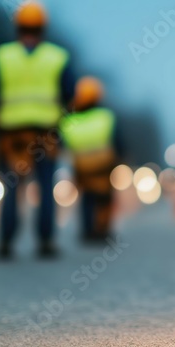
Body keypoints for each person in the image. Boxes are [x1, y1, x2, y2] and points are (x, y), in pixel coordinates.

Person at [0, 1, 76, 258]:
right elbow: (70, 95)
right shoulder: (57, 57)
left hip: (11, 134)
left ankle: (5, 242)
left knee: (12, 188)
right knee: (46, 187)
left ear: (17, 26)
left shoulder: (2, 55)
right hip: (45, 134)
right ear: (43, 27)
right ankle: (46, 242)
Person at [59, 77, 123, 242]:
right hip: (103, 164)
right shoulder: (105, 116)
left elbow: (63, 144)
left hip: (81, 165)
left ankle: (87, 231)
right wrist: (121, 156)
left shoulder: (69, 120)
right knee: (103, 198)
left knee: (86, 197)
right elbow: (117, 140)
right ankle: (102, 230)